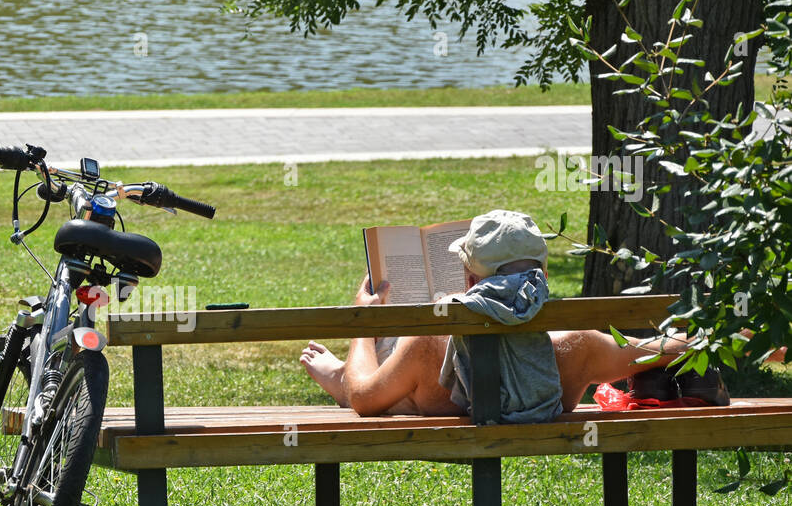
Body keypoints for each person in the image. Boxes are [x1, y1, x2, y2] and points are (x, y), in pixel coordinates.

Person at [300, 210, 729, 418]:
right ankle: (340, 371)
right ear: (542, 273)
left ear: (469, 281)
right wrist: (745, 339)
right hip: (546, 363)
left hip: (414, 380)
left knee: (373, 375)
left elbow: (363, 399)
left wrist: (364, 321)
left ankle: (338, 371)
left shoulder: (431, 340)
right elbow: (651, 349)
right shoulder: (576, 346)